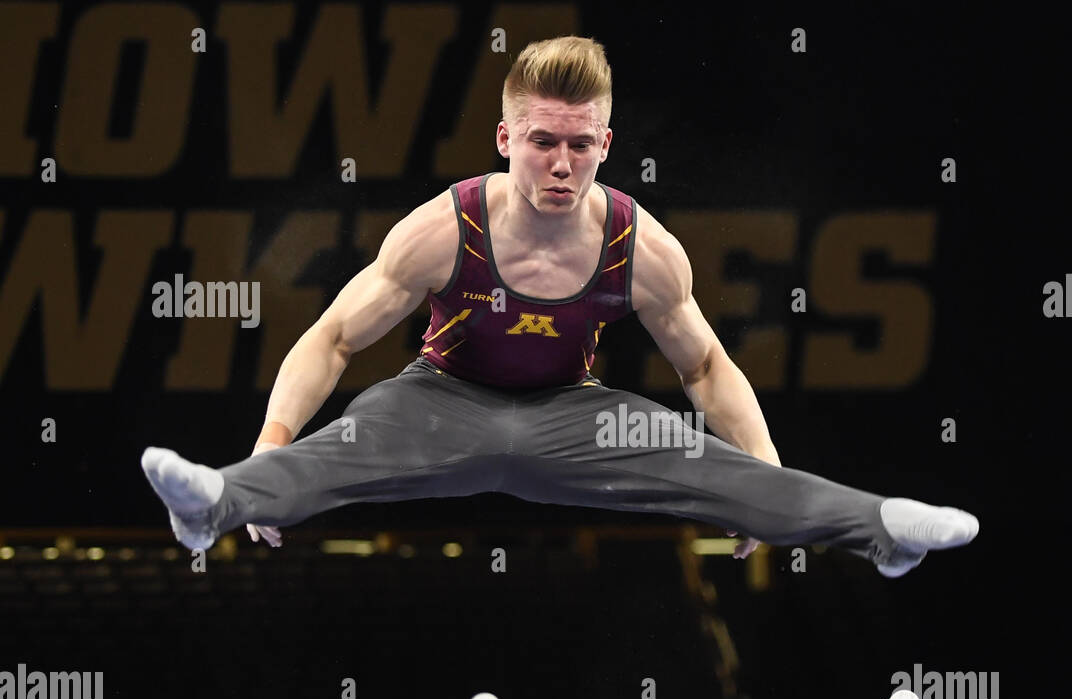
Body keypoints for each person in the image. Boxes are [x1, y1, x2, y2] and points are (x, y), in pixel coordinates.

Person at [141, 35, 977, 578]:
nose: (562, 164)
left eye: (581, 144)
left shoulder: (640, 247)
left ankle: (885, 532)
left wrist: (754, 479)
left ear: (607, 145)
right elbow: (329, 341)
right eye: (543, 141)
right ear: (506, 139)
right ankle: (212, 504)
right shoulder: (444, 229)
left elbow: (706, 365)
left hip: (573, 423)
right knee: (310, 460)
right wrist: (271, 445)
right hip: (439, 403)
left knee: (747, 474)